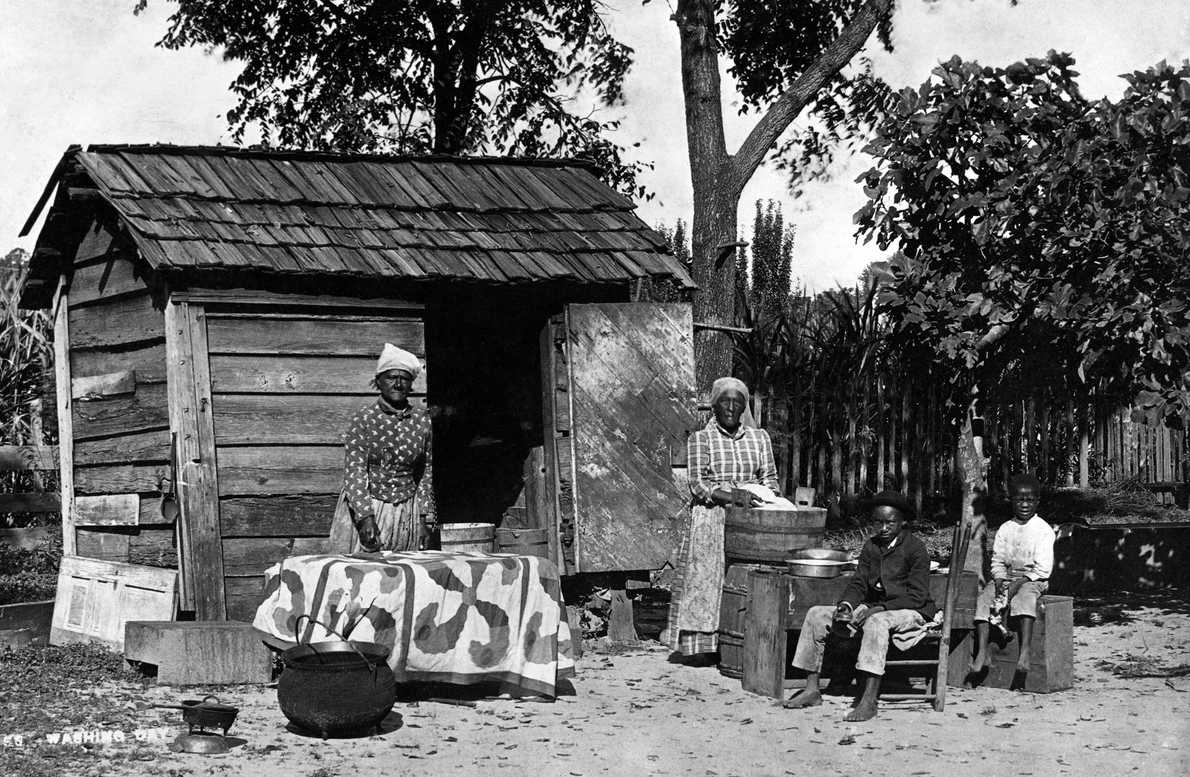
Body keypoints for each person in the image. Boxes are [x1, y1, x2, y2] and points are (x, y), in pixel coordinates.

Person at [783, 491, 937, 722]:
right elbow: (858, 582)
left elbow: (918, 595)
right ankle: (811, 690)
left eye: (890, 522)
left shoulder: (915, 549)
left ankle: (868, 700)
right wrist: (846, 605)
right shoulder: (871, 546)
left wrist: (880, 608)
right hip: (877, 607)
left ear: (903, 522)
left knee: (876, 622)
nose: (883, 528)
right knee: (817, 614)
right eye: (878, 522)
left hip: (911, 610)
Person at [664, 377, 779, 662]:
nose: (730, 407)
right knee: (709, 579)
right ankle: (705, 648)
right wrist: (730, 497)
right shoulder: (701, 439)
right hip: (712, 516)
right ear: (714, 406)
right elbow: (697, 484)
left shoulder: (759, 438)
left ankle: (742, 643)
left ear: (744, 407)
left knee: (745, 578)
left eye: (737, 402)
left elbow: (771, 479)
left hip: (752, 515)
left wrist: (765, 498)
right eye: (724, 401)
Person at [329, 343, 437, 553]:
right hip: (370, 509)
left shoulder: (422, 421)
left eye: (404, 378)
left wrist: (425, 520)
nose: (397, 384)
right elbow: (355, 473)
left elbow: (425, 472)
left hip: (407, 513)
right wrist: (365, 518)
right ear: (378, 381)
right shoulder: (364, 420)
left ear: (411, 384)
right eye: (391, 377)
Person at [970, 473, 1055, 690]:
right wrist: (999, 579)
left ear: (1037, 501)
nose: (1024, 505)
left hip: (1034, 579)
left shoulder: (1043, 530)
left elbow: (1043, 567)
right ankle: (982, 652)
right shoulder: (1005, 529)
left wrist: (1021, 582)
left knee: (1024, 599)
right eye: (1019, 500)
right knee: (984, 598)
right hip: (1008, 577)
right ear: (1012, 501)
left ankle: (1025, 652)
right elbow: (998, 560)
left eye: (1029, 500)